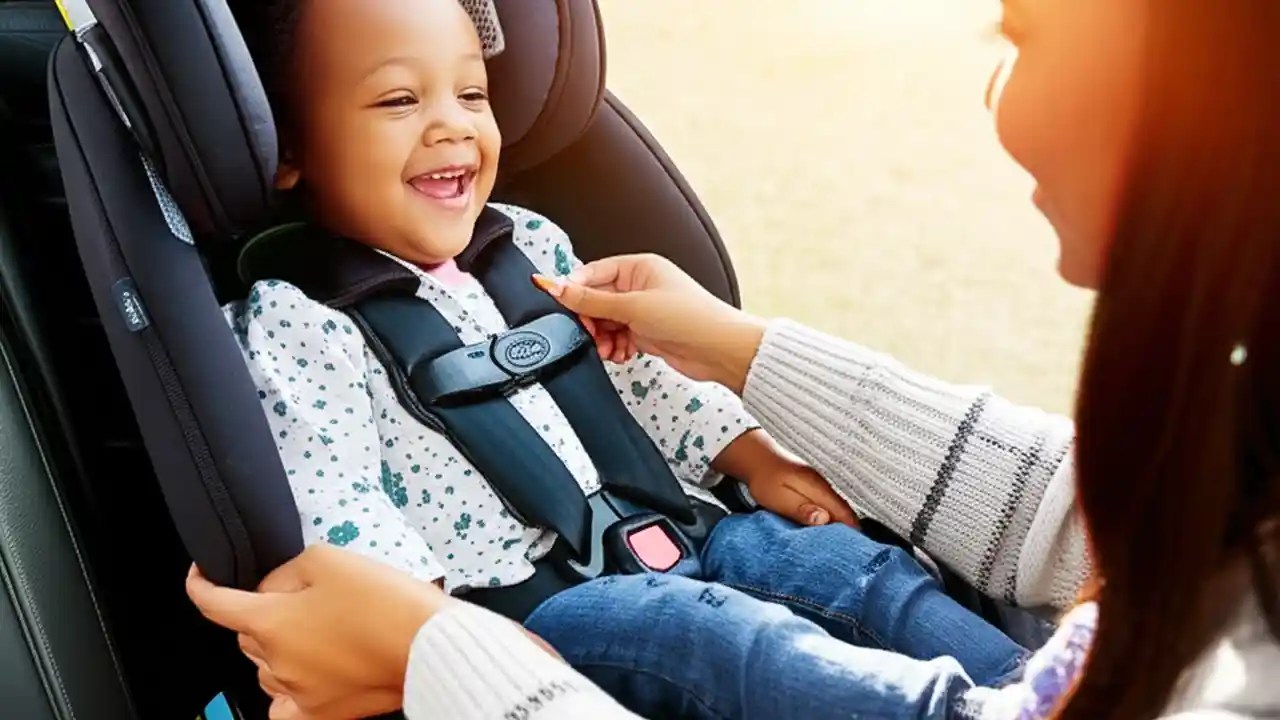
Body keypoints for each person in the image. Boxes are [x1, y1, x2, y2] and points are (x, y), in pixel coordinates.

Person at [189, 0, 1280, 717]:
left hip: (684, 532)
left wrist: (748, 453)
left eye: (473, 93)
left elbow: (641, 377)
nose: (453, 128)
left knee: (844, 570)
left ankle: (1008, 686)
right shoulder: (298, 324)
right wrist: (413, 623)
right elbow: (333, 497)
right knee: (712, 631)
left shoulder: (535, 248)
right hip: (527, 605)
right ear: (285, 149)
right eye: (396, 101)